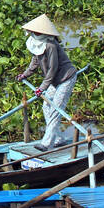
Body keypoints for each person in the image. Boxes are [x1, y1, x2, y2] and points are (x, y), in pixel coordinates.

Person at [14, 15, 79, 151]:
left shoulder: (50, 45)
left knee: (55, 109)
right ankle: (59, 138)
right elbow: (35, 61)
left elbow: (53, 68)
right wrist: (24, 75)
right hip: (54, 81)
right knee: (46, 106)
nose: (34, 33)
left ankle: (47, 143)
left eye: (37, 32)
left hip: (66, 79)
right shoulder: (35, 42)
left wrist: (42, 87)